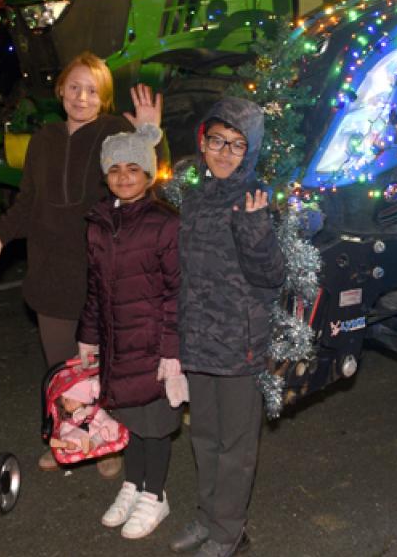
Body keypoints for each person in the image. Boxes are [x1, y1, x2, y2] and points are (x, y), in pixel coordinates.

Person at [0, 52, 155, 474]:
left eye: (93, 90)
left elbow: (141, 171)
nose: (82, 97)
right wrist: (0, 229)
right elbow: (27, 202)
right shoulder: (44, 138)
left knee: (100, 365)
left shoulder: (113, 130)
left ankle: (105, 443)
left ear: (104, 98)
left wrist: (148, 133)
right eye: (74, 87)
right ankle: (65, 436)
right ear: (60, 90)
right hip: (49, 270)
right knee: (60, 367)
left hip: (98, 271)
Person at [169, 98, 285, 557]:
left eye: (237, 146)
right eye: (217, 140)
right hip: (199, 341)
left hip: (240, 345)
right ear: (203, 141)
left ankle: (228, 532)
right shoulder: (195, 198)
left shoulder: (253, 200)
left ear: (250, 152)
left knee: (235, 447)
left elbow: (272, 276)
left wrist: (255, 229)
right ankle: (207, 517)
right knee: (203, 436)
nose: (224, 152)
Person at [76, 116, 187, 541]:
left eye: (133, 169)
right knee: (132, 420)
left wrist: (173, 351)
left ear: (148, 173)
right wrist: (88, 334)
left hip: (156, 345)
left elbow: (179, 292)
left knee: (155, 422)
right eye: (115, 169)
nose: (124, 177)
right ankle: (133, 483)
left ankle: (155, 495)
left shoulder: (165, 223)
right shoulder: (101, 221)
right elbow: (95, 287)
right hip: (119, 342)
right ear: (106, 175)